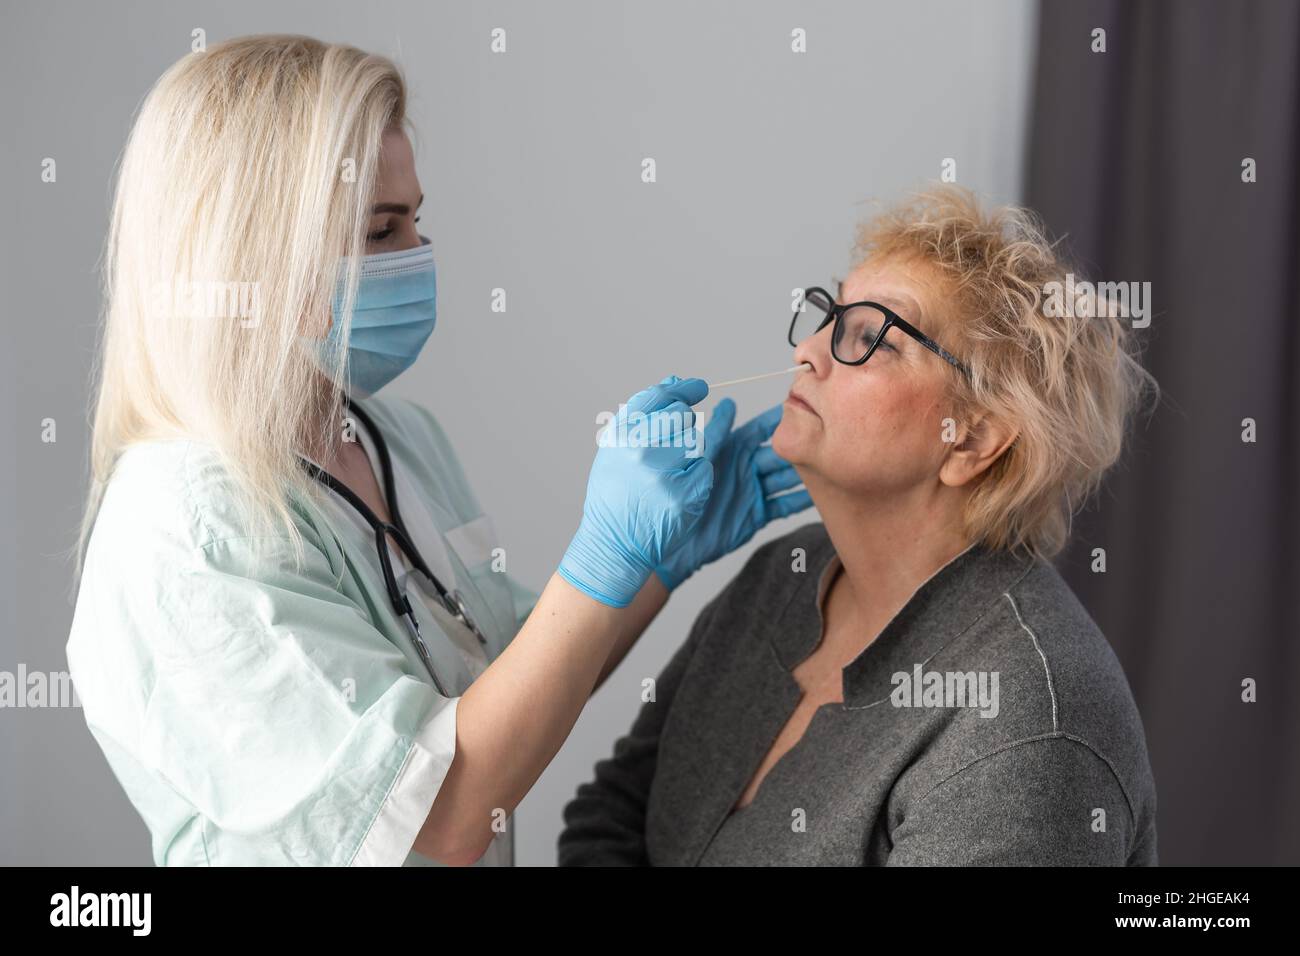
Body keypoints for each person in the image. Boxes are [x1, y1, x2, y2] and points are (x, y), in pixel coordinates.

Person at [65, 34, 810, 867]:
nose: (419, 257)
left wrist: (653, 569)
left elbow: (508, 686)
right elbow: (438, 813)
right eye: (383, 229)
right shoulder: (182, 532)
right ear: (254, 254)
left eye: (418, 219)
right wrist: (609, 556)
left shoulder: (392, 438)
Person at [558, 185, 1161, 865]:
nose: (809, 351)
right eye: (829, 314)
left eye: (870, 336)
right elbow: (610, 817)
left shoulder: (1031, 718)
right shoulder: (781, 578)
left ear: (972, 440)